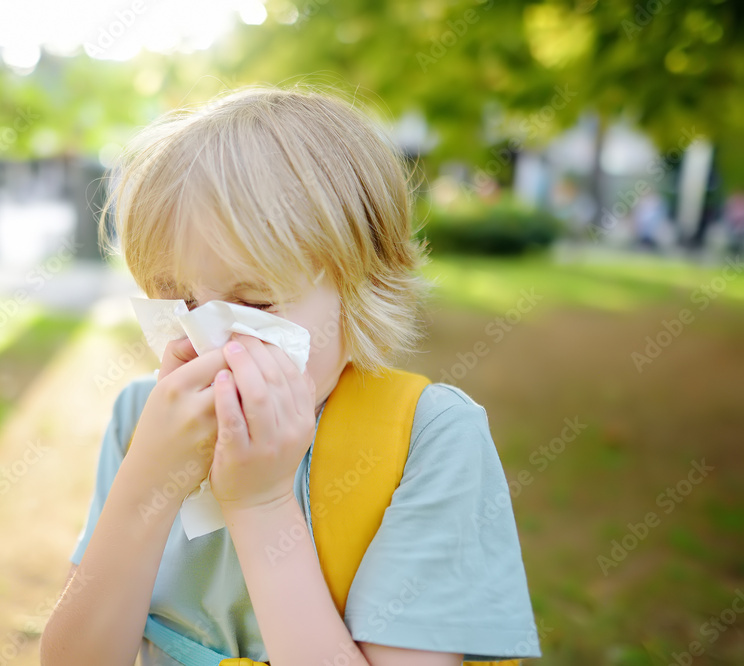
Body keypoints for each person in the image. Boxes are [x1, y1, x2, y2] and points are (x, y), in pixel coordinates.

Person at [40, 86, 541, 666]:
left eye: (254, 303)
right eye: (176, 299)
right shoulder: (144, 417)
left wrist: (261, 504)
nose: (212, 340)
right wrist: (149, 482)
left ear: (362, 288)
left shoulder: (428, 439)